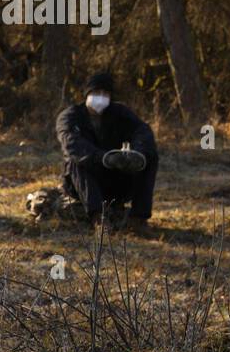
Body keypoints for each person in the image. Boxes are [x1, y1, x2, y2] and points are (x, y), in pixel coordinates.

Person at [56, 72, 159, 232]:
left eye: (105, 94)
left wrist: (137, 154)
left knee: (149, 157)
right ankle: (99, 218)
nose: (101, 97)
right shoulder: (70, 117)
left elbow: (142, 131)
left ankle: (138, 219)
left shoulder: (120, 113)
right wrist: (104, 158)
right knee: (76, 161)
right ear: (87, 94)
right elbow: (72, 144)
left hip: (116, 177)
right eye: (97, 92)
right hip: (83, 184)